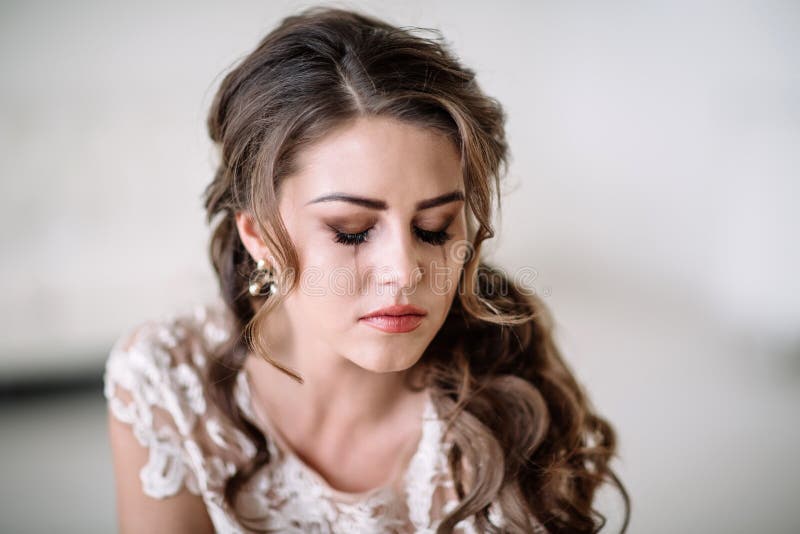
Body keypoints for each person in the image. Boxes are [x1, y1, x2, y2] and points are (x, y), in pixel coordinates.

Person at [104, 5, 630, 533]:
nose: (404, 273)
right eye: (351, 231)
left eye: (434, 228)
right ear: (259, 235)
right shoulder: (166, 384)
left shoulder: (507, 402)